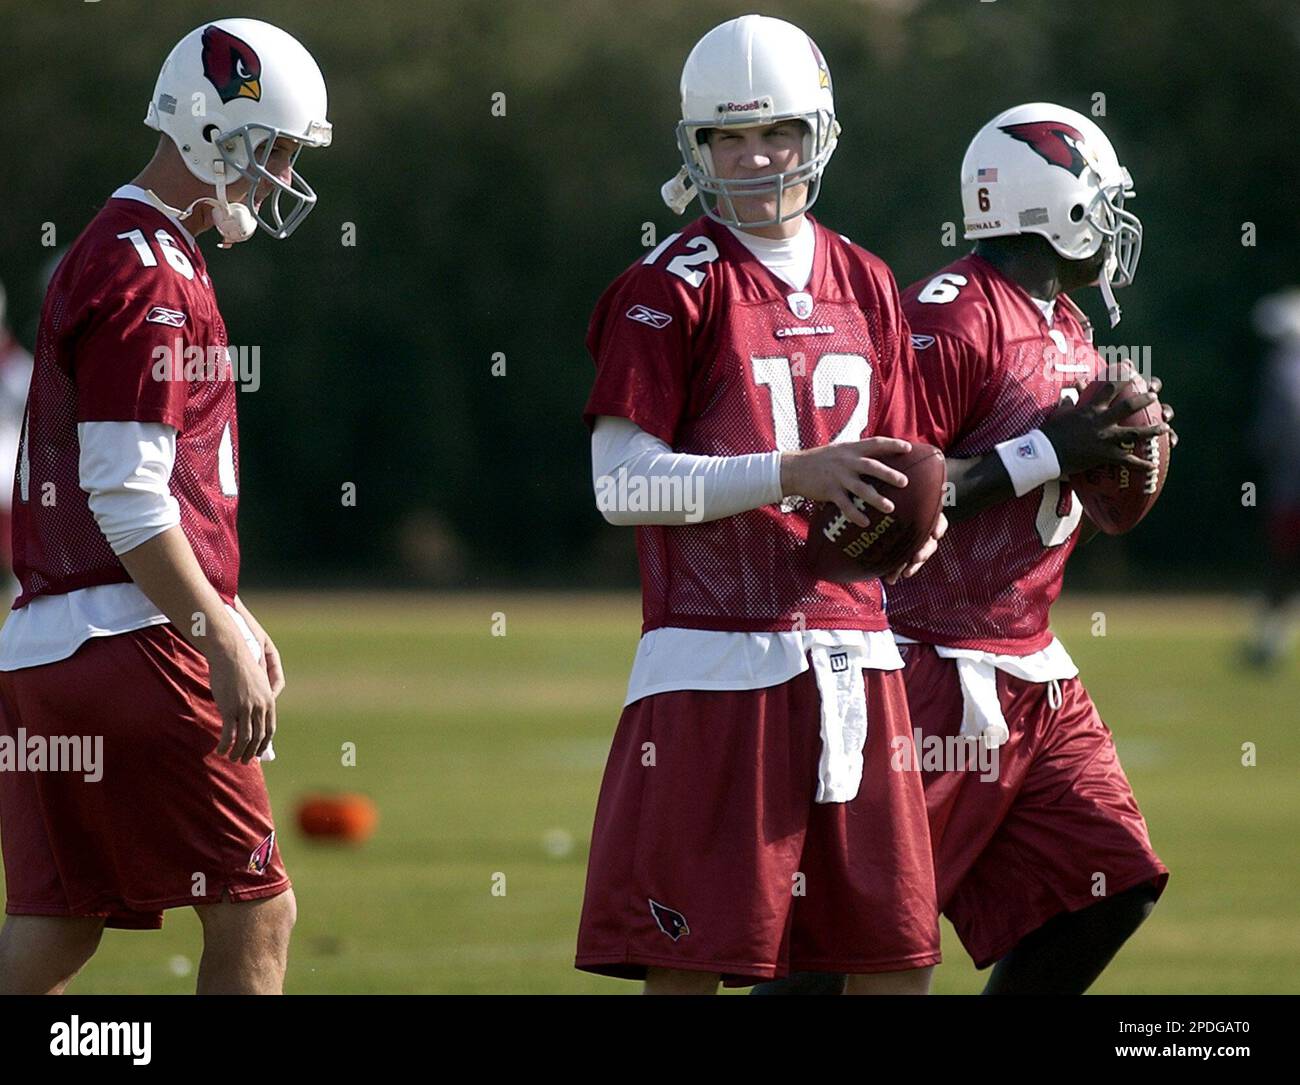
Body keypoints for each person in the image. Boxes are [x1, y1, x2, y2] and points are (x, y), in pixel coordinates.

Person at [758, 103, 1174, 996]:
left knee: (1110, 883)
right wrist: (1051, 452)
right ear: (1058, 203)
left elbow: (1074, 499)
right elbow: (886, 493)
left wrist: (1124, 456)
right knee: (852, 946)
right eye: (1102, 201)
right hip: (926, 667)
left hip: (1032, 667)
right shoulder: (951, 316)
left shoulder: (1066, 325)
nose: (1113, 224)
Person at [575, 14, 945, 995]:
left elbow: (904, 461)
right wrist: (793, 471)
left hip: (857, 657)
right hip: (713, 659)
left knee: (892, 957)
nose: (752, 156)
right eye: (726, 137)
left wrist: (919, 518)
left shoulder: (866, 278)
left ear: (815, 132)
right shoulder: (667, 285)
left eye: (773, 132)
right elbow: (621, 486)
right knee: (693, 960)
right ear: (695, 147)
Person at [0, 18, 331, 995]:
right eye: (270, 150)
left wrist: (230, 608)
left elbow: (144, 489)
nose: (276, 177)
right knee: (257, 905)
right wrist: (214, 636)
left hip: (47, 644)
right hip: (131, 639)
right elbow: (125, 492)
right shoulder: (151, 269)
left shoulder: (132, 248)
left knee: (56, 929)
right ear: (210, 132)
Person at [1245, 289, 1300, 668]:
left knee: (1281, 567)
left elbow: (1276, 431)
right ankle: (1271, 641)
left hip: (1290, 488)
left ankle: (1270, 641)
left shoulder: (1282, 369)